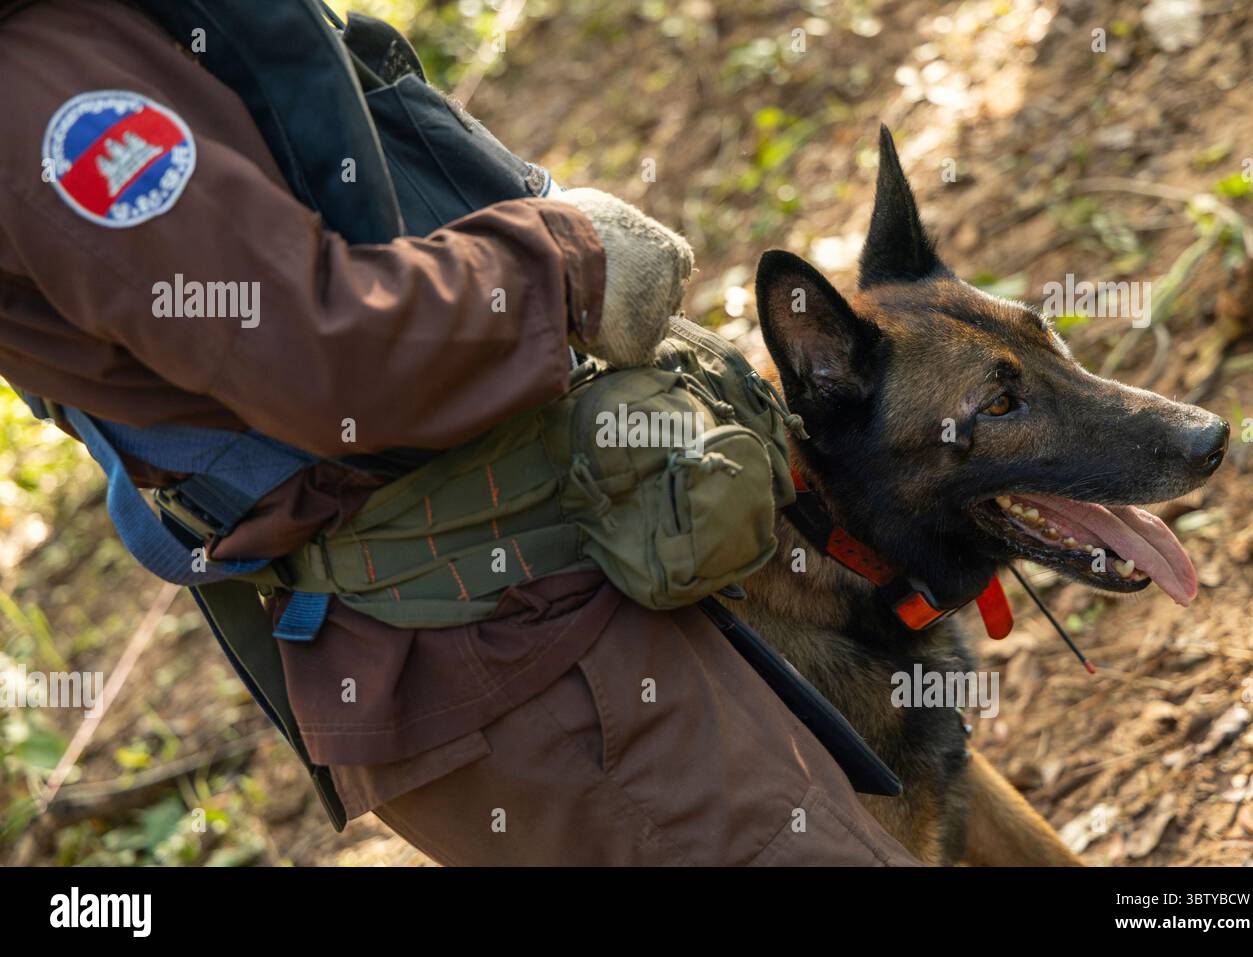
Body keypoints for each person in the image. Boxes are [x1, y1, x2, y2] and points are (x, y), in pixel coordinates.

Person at [0, 0, 916, 865]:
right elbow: (318, 352)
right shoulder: (48, 96)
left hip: (559, 595)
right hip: (509, 654)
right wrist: (562, 263)